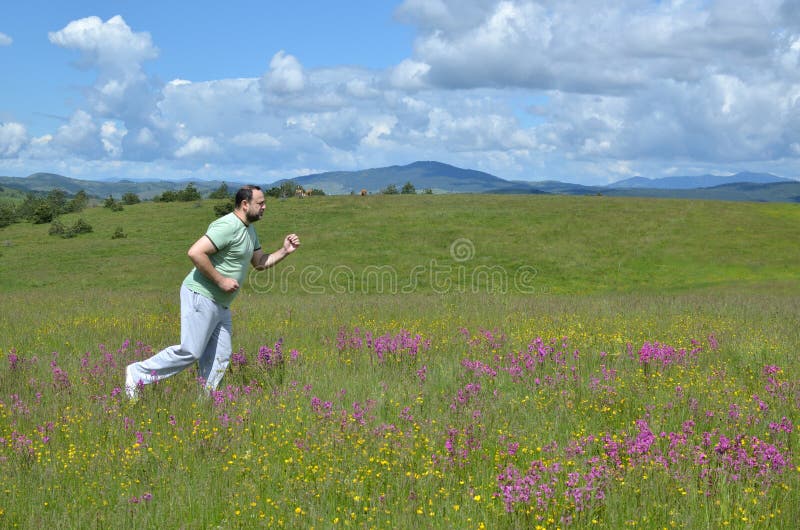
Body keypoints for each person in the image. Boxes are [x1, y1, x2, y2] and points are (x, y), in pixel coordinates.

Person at [125, 185, 300, 399]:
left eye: (264, 203)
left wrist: (284, 251)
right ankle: (137, 373)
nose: (264, 207)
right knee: (190, 351)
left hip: (221, 304)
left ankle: (204, 403)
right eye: (260, 203)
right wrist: (221, 281)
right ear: (245, 205)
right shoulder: (227, 225)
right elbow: (195, 252)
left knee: (220, 356)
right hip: (202, 295)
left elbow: (260, 262)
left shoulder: (249, 230)